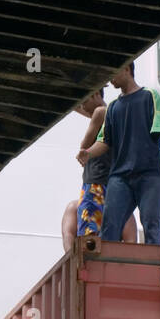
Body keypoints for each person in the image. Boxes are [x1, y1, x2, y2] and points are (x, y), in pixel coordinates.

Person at [77, 63, 160, 246]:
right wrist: (88, 153)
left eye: (114, 73)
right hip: (120, 177)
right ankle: (107, 267)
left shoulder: (149, 96)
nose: (111, 79)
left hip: (150, 174)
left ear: (127, 68)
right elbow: (104, 141)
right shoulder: (112, 107)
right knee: (110, 226)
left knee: (151, 222)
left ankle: (151, 265)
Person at [62, 90, 138, 250]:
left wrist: (84, 153)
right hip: (113, 185)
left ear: (96, 94)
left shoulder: (100, 112)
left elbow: (84, 145)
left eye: (84, 101)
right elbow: (88, 111)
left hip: (95, 183)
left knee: (89, 236)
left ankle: (84, 265)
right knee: (108, 233)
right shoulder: (115, 116)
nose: (83, 107)